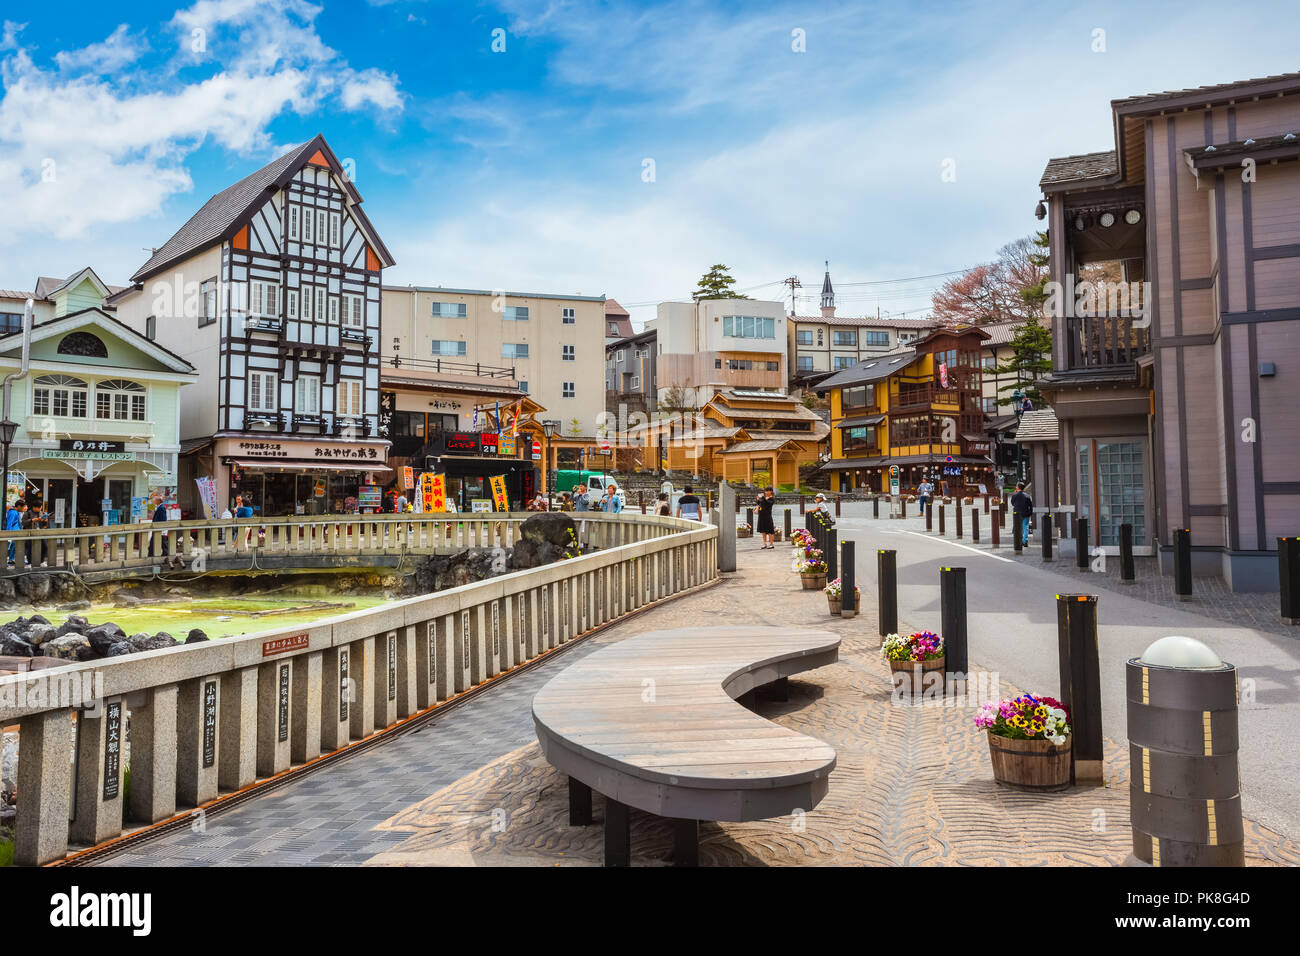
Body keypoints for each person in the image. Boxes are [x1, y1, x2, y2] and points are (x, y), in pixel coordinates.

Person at [22, 500, 47, 567]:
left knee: (44, 547)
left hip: (40, 532)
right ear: (34, 507)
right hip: (30, 533)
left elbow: (44, 525)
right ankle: (29, 562)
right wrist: (32, 520)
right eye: (39, 507)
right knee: (29, 548)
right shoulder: (27, 513)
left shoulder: (42, 513)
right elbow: (23, 522)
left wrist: (45, 521)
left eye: (41, 507)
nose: (40, 509)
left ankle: (42, 561)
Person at [1010, 481, 1034, 548]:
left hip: (1017, 514)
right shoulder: (1027, 496)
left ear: (1018, 487)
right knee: (1025, 527)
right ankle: (1025, 541)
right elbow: (1030, 505)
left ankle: (1018, 541)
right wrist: (1030, 512)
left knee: (1018, 527)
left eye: (1016, 486)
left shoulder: (1015, 495)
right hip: (1026, 513)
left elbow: (1012, 503)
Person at [6, 498, 26, 569]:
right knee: (9, 547)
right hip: (12, 532)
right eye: (23, 507)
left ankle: (11, 559)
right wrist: (8, 534)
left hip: (16, 532)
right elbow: (9, 523)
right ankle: (8, 560)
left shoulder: (15, 512)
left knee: (13, 547)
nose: (24, 509)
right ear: (19, 506)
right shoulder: (13, 512)